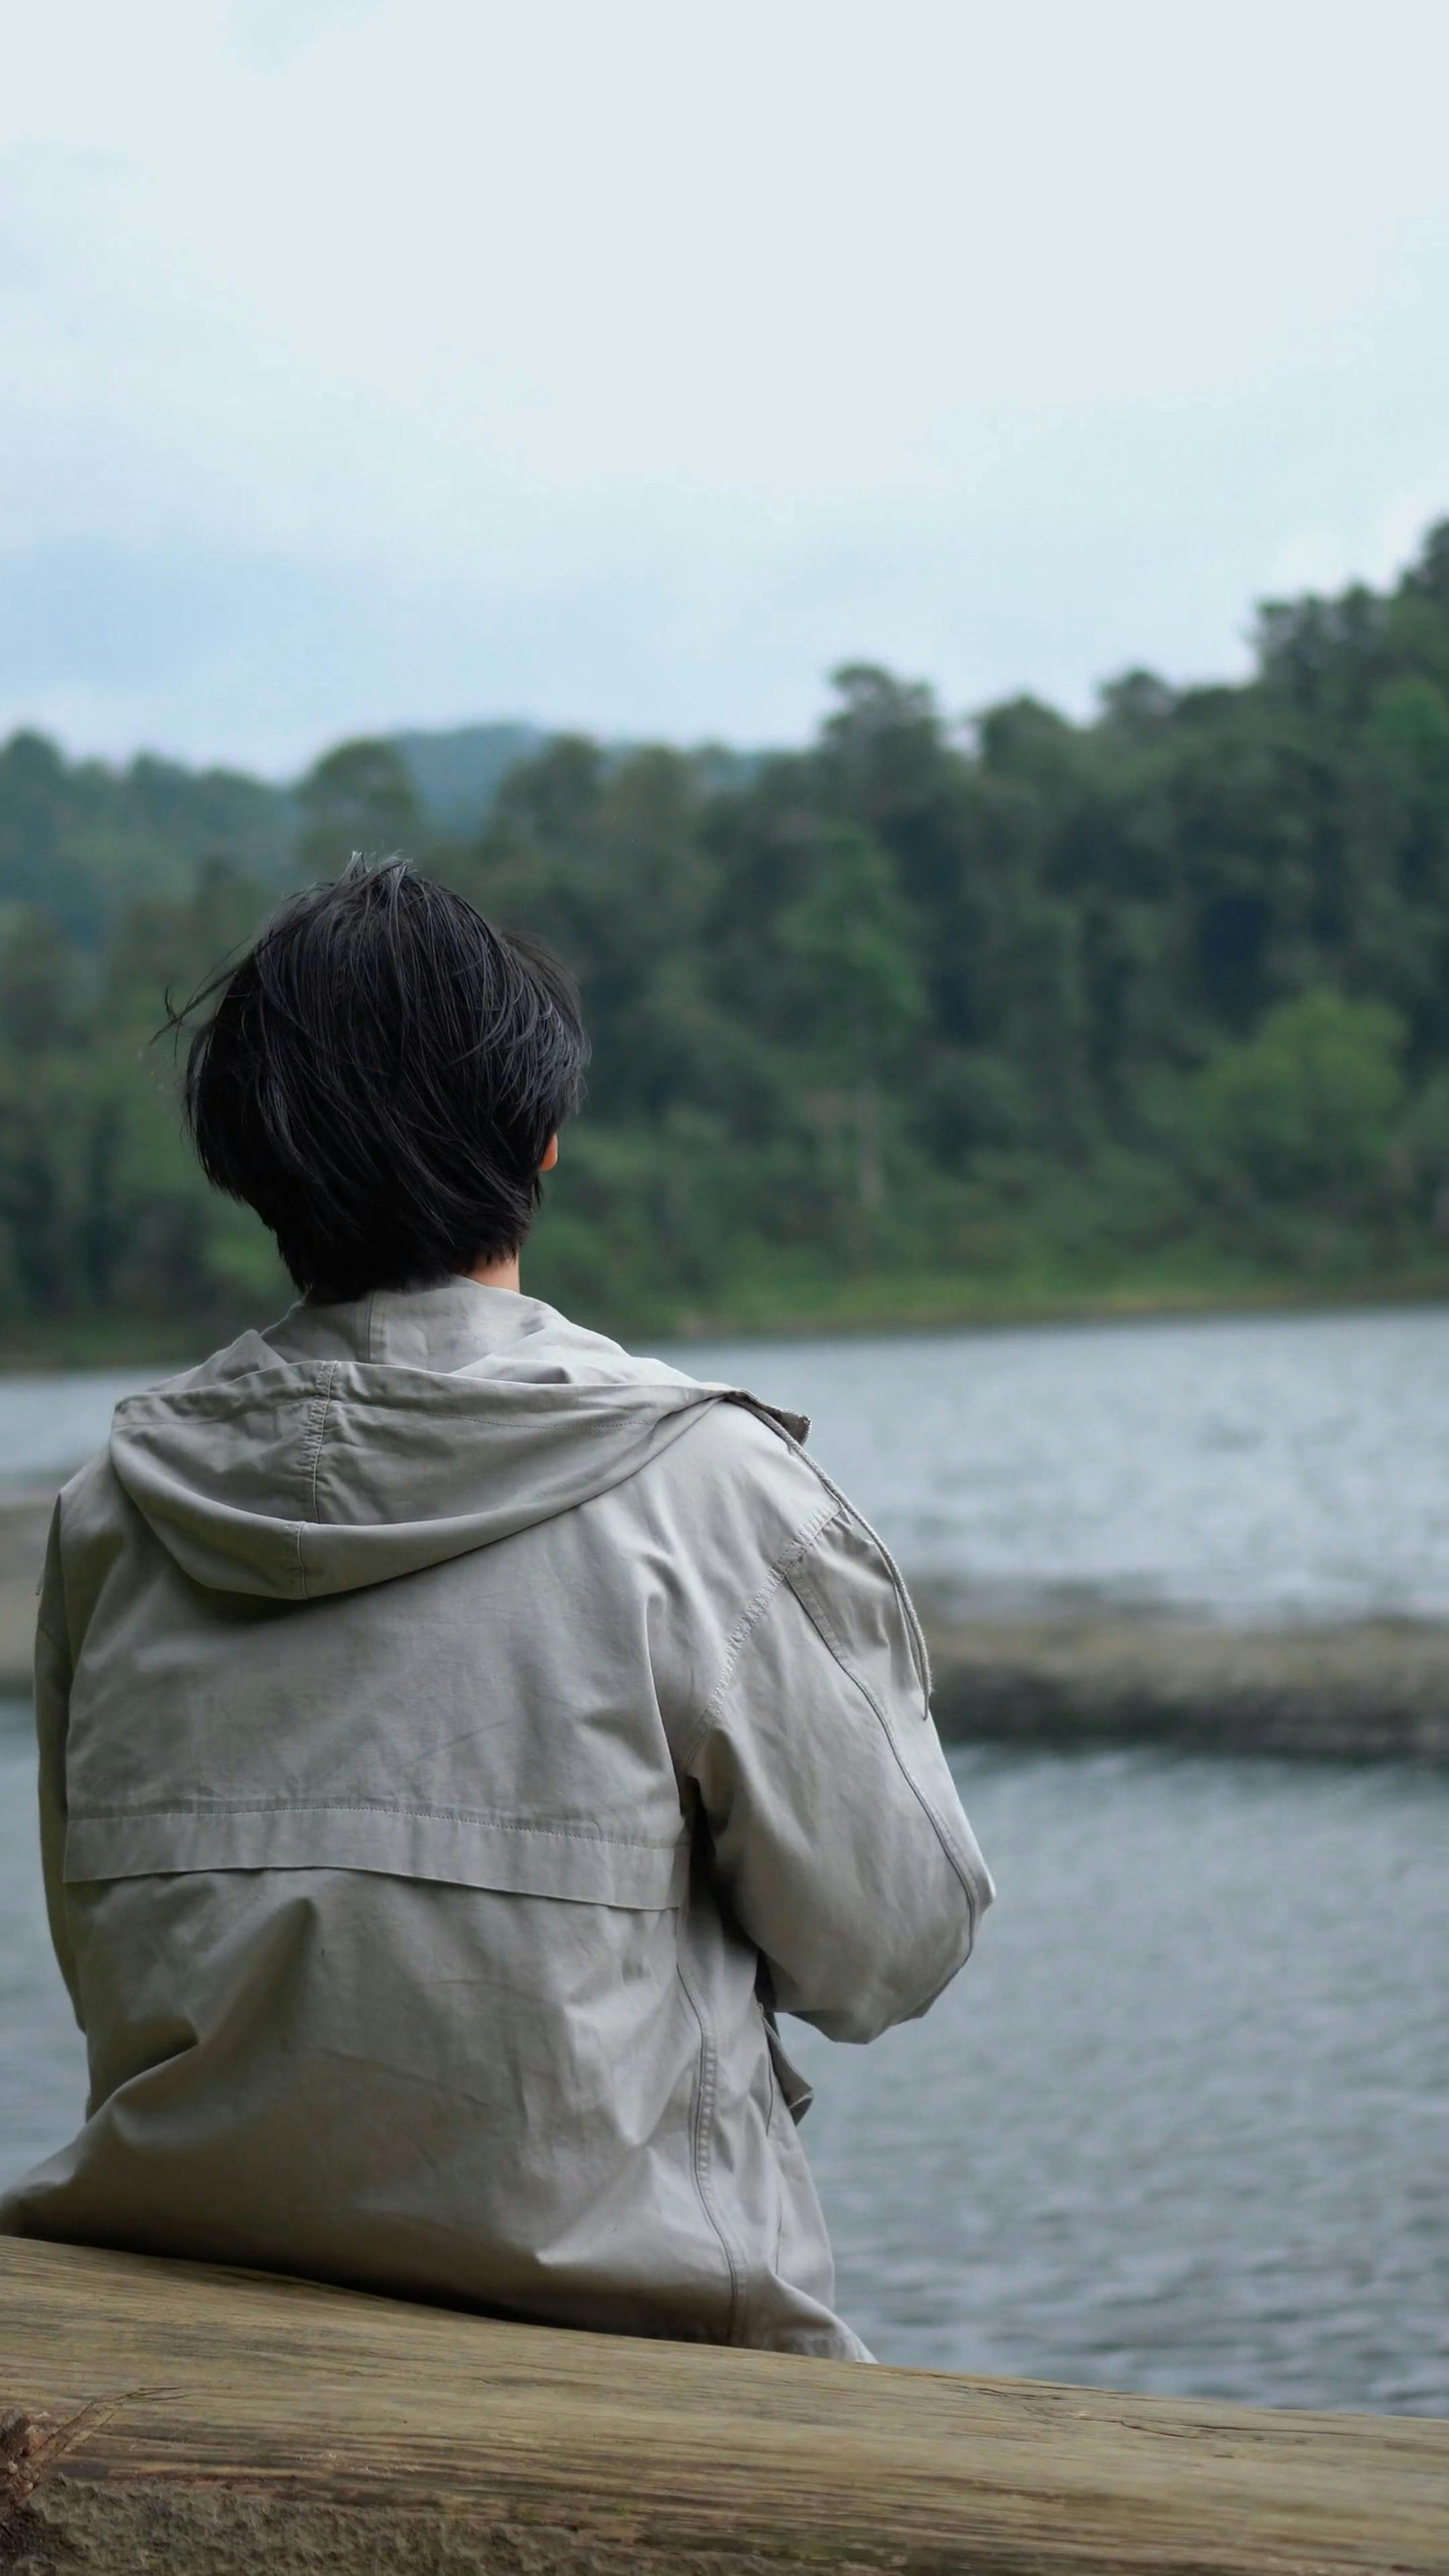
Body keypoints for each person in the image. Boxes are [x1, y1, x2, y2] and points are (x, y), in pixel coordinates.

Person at [0, 857, 993, 2360]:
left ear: (250, 1163)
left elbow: (109, 1958)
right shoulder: (708, 1490)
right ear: (542, 1143)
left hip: (166, 2319)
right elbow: (894, 1947)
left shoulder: (112, 1510)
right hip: (637, 2355)